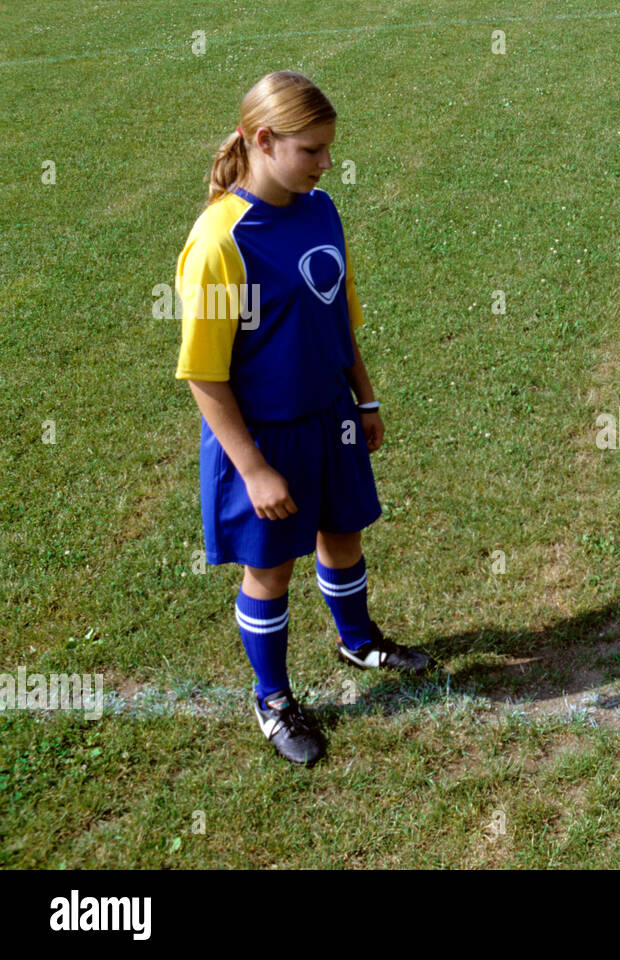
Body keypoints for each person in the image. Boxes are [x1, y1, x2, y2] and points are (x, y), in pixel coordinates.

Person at [175, 70, 430, 767]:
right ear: (263, 140)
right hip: (266, 435)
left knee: (342, 533)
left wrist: (365, 398)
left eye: (327, 150)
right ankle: (273, 698)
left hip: (332, 415)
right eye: (312, 150)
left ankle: (357, 639)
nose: (325, 163)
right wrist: (252, 468)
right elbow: (204, 372)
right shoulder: (222, 240)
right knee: (272, 569)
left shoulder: (319, 209)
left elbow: (339, 314)